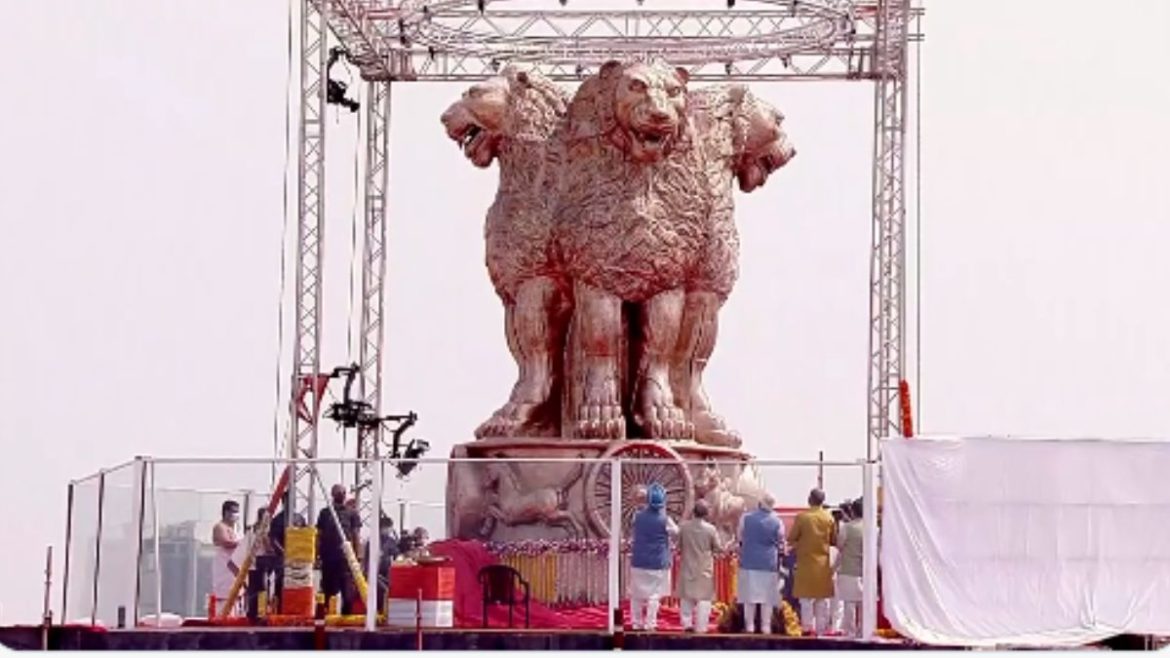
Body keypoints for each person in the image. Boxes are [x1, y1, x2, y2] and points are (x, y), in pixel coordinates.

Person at [628, 483, 678, 631]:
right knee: (654, 595)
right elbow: (676, 532)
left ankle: (636, 623)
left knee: (636, 594)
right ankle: (650, 623)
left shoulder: (637, 516)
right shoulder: (665, 520)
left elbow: (634, 528)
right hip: (658, 562)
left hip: (639, 560)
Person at [789, 488, 837, 635]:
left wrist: (800, 545)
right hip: (823, 565)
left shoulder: (802, 517)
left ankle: (807, 629)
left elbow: (791, 538)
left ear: (810, 499)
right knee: (822, 601)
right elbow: (833, 540)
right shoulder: (829, 518)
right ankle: (821, 631)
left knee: (806, 601)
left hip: (805, 563)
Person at [736, 494, 784, 634]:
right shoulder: (777, 521)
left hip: (749, 560)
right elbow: (780, 540)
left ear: (759, 503)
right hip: (768, 563)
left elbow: (740, 536)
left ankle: (750, 626)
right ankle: (765, 626)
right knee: (767, 598)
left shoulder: (746, 518)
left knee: (749, 596)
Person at [677, 500, 721, 633]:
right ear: (706, 513)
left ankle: (687, 624)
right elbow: (718, 548)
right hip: (704, 568)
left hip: (688, 565)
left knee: (686, 597)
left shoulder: (684, 527)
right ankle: (701, 627)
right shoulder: (711, 529)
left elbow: (679, 545)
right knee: (704, 599)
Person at [316, 484, 361, 615]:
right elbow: (319, 535)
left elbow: (355, 535)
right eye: (338, 492)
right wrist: (317, 555)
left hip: (345, 558)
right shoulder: (325, 513)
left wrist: (356, 557)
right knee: (328, 590)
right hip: (328, 557)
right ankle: (325, 618)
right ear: (332, 494)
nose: (341, 495)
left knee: (347, 591)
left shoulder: (352, 513)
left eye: (343, 492)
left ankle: (346, 616)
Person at [834, 498, 866, 637]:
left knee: (849, 603)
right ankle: (863, 631)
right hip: (866, 571)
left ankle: (851, 633)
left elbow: (839, 545)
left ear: (852, 511)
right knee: (864, 605)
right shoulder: (872, 528)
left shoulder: (846, 528)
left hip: (848, 569)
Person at [364, 514, 400, 611]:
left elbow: (397, 556)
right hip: (374, 573)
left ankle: (384, 610)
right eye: (385, 527)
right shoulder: (372, 541)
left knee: (389, 588)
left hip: (386, 572)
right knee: (380, 590)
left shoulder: (391, 541)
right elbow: (367, 560)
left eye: (389, 528)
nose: (387, 530)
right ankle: (377, 610)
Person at [211, 500, 241, 609]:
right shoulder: (220, 527)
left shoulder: (236, 529)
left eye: (237, 512)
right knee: (224, 598)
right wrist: (243, 543)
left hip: (234, 568)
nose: (236, 515)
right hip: (224, 567)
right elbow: (226, 543)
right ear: (226, 512)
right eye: (233, 512)